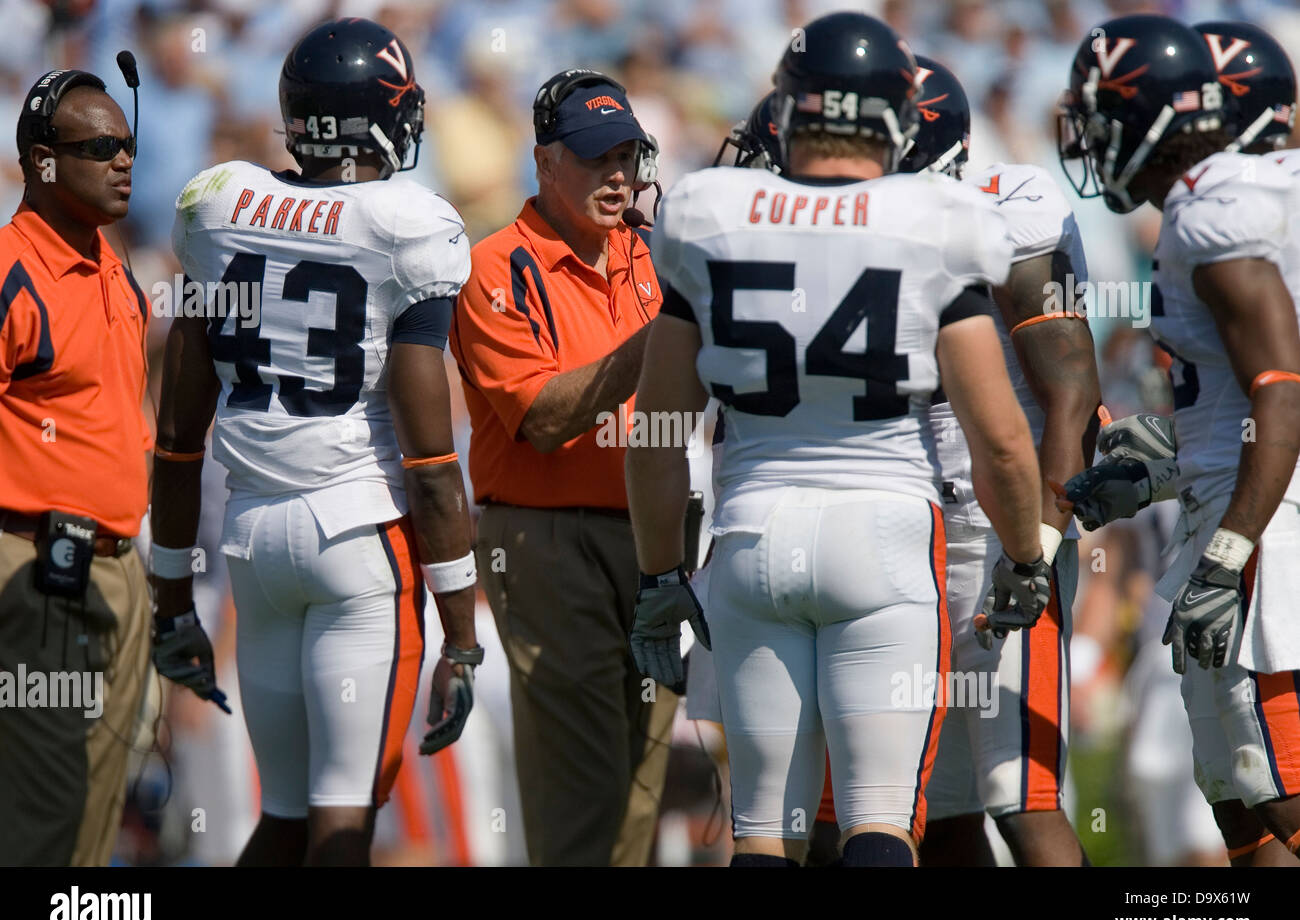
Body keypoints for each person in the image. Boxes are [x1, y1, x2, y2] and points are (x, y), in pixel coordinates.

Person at [626, 11, 1051, 867]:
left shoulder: (711, 210)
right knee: (880, 822)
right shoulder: (935, 216)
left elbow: (656, 432)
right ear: (897, 114)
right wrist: (1025, 556)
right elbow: (999, 439)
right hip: (885, 536)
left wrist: (660, 573)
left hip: (749, 538)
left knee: (764, 835)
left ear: (785, 111)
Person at [154, 18, 480, 867]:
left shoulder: (218, 206)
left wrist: (169, 600)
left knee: (285, 818)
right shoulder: (409, 225)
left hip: (255, 547)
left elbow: (177, 440)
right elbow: (433, 464)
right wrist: (463, 637)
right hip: (357, 543)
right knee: (343, 821)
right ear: (378, 118)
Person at [1059, 14, 1300, 866]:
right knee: (1238, 798)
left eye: (1098, 114)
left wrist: (1231, 553)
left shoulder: (1213, 210)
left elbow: (1282, 387)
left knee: (1281, 790)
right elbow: (1244, 397)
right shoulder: (1213, 209)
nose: (1088, 137)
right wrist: (1161, 462)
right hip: (1233, 502)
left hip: (1265, 526)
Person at [449, 68, 672, 866]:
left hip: (656, 544)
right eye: (595, 157)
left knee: (639, 804)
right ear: (544, 163)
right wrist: (668, 331)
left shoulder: (647, 254)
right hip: (549, 543)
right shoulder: (493, 267)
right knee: (585, 800)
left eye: (627, 156)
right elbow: (542, 419)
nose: (617, 175)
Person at [900, 56, 1099, 867]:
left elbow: (1072, 392)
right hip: (908, 524)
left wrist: (1039, 544)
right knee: (941, 814)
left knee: (1025, 800)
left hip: (1001, 522)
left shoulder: (1007, 206)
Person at [0, 67, 152, 865]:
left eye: (128, 145)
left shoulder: (113, 264)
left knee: (95, 813)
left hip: (117, 567)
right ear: (41, 162)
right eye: (99, 146)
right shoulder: (9, 269)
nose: (123, 161)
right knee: (44, 815)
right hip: (35, 566)